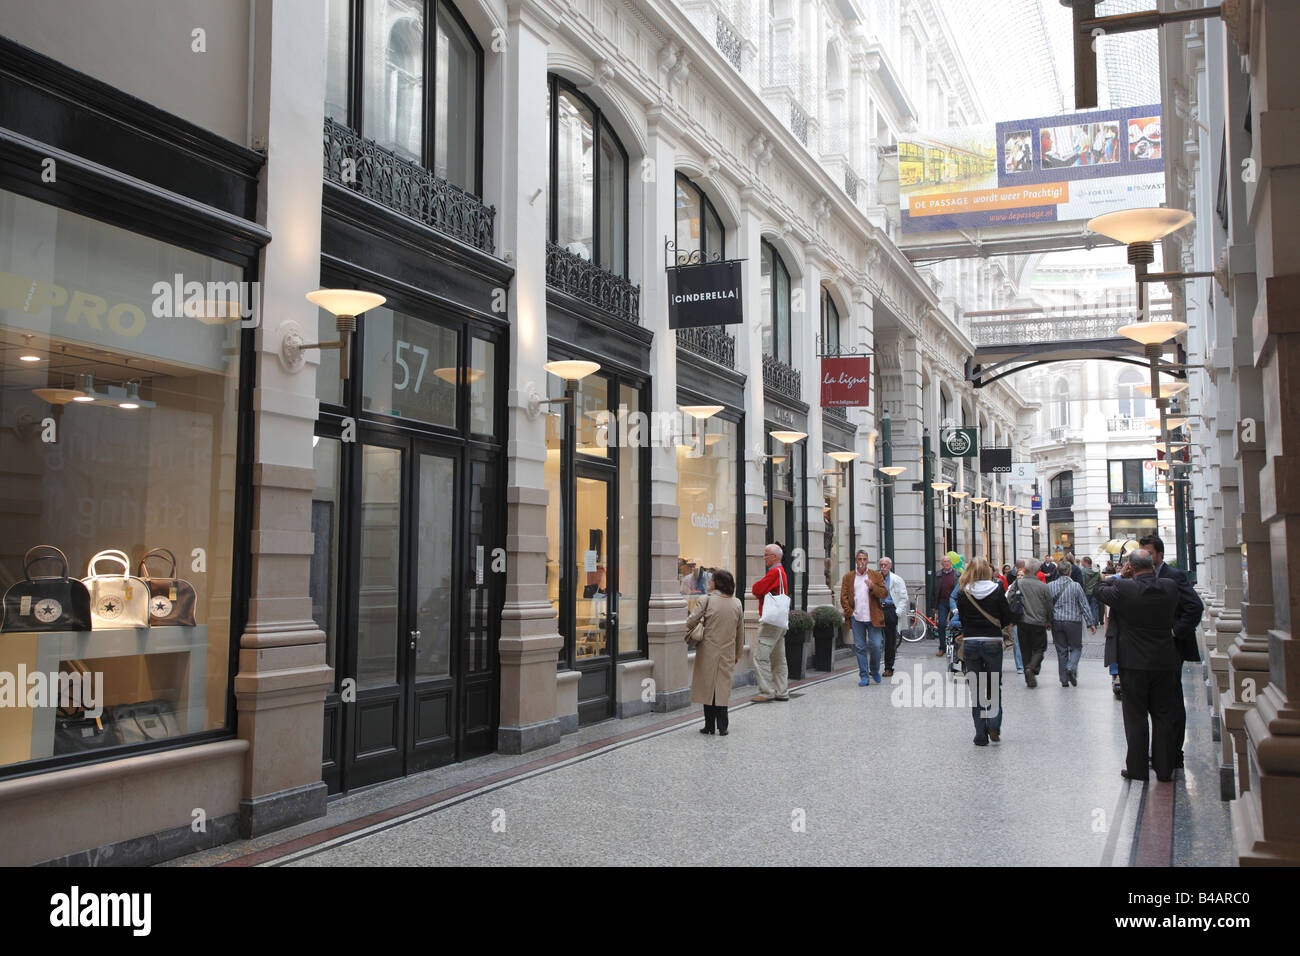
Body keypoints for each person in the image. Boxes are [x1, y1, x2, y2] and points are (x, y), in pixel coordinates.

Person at [1096, 549, 1182, 781]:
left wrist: (1120, 576)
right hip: (1164, 660)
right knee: (1163, 714)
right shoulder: (1169, 587)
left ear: (1131, 567)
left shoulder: (1124, 588)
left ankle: (1137, 768)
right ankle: (1164, 769)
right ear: (1152, 565)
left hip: (1132, 662)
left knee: (1135, 716)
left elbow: (1099, 590)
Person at [1139, 534, 1204, 769]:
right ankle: (1160, 751)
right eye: (1142, 553)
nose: (1144, 557)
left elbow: (1194, 606)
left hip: (1171, 648)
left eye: (1148, 553)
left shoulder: (1173, 576)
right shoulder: (1140, 576)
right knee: (1155, 702)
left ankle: (1174, 753)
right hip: (1149, 650)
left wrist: (1176, 632)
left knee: (1172, 701)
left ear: (1160, 554)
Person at [955, 557, 1013, 746]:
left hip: (971, 642)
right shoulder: (997, 589)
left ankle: (980, 733)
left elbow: (963, 619)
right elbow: (1006, 617)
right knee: (994, 684)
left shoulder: (964, 593)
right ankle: (994, 725)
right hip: (993, 642)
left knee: (977, 688)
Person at [687, 570, 746, 735]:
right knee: (722, 688)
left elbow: (690, 621)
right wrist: (738, 653)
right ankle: (723, 726)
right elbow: (740, 632)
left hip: (707, 650)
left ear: (717, 583)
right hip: (727, 652)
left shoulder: (705, 600)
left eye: (712, 580)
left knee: (708, 687)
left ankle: (709, 726)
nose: (710, 582)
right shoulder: (737, 603)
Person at [840, 550, 887, 686]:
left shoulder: (876, 576)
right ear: (856, 560)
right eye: (860, 559)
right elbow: (844, 597)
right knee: (860, 648)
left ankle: (874, 670)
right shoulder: (848, 577)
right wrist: (850, 613)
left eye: (864, 559)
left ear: (867, 561)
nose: (862, 561)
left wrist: (873, 587)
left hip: (873, 617)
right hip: (857, 618)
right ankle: (864, 676)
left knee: (876, 646)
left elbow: (884, 593)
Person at [751, 543, 792, 702]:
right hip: (780, 622)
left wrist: (757, 586)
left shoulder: (775, 572)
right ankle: (782, 691)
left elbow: (757, 589)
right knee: (779, 658)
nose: (764, 557)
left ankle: (766, 692)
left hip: (771, 622)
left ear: (774, 557)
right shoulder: (782, 572)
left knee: (760, 656)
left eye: (766, 554)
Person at [1048, 563, 1097, 686]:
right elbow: (1084, 604)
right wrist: (1090, 622)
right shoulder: (1076, 586)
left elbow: (1047, 606)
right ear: (1069, 572)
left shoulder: (1050, 586)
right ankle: (1071, 667)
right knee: (1076, 647)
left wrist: (1047, 621)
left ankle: (1064, 680)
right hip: (1073, 621)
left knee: (1061, 650)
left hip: (1056, 621)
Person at [1008, 558, 1053, 687]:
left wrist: (1011, 617)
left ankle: (1028, 671)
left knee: (1025, 648)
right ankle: (1032, 668)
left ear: (1026, 570)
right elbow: (1049, 605)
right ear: (1038, 571)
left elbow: (1009, 598)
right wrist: (1049, 620)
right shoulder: (1043, 586)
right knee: (1039, 648)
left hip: (1022, 621)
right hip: (1038, 622)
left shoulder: (1018, 583)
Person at [878, 556, 908, 678]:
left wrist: (897, 612)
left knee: (890, 641)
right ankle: (874, 667)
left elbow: (903, 597)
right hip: (878, 610)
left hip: (890, 610)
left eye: (885, 565)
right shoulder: (876, 578)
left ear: (890, 566)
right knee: (877, 640)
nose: (883, 567)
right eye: (881, 565)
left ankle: (889, 667)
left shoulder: (896, 579)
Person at [934, 555, 958, 657]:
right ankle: (942, 647)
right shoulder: (938, 575)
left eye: (948, 561)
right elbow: (934, 590)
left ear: (951, 563)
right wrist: (934, 606)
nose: (946, 563)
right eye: (944, 561)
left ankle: (955, 647)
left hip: (954, 603)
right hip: (942, 602)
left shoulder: (957, 574)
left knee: (954, 625)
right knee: (942, 624)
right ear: (941, 563)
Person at [1080, 556, 1103, 625]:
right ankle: (1095, 621)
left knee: (1087, 607)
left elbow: (1083, 582)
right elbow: (1100, 581)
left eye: (1082, 561)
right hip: (1095, 591)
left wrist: (1082, 591)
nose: (1081, 563)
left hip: (1087, 591)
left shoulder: (1083, 571)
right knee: (1094, 606)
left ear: (1085, 562)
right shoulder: (1096, 570)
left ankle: (1089, 622)